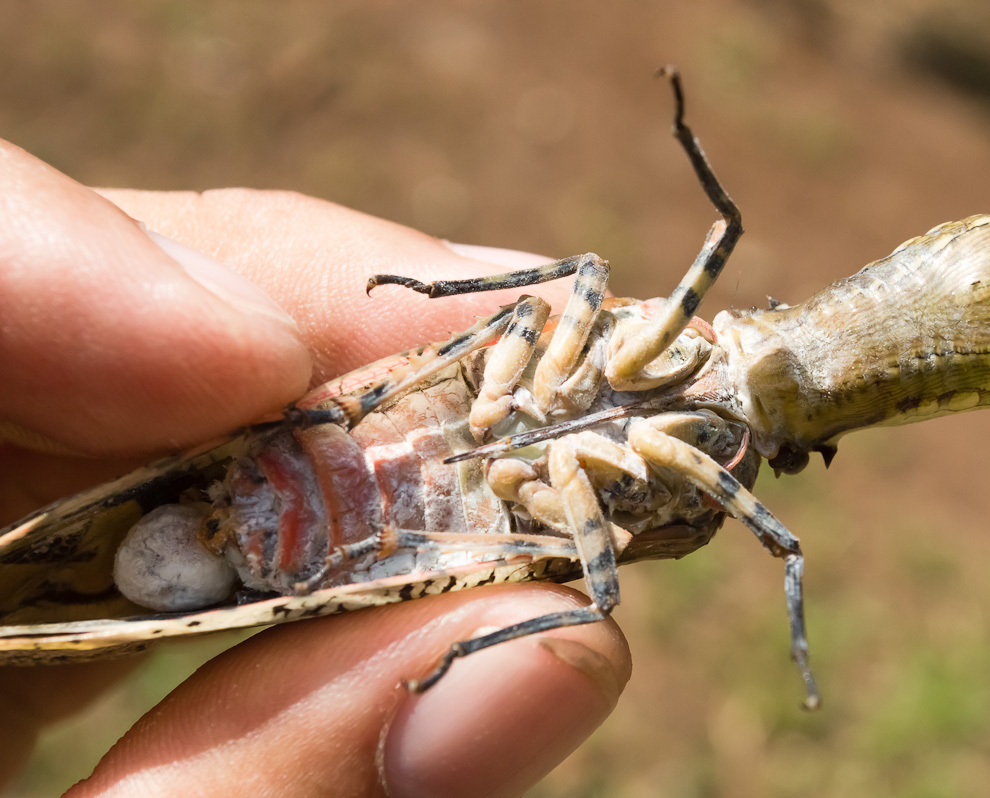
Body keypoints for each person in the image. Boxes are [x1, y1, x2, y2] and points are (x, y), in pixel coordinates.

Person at [0, 138, 631, 797]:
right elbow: (550, 297)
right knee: (540, 308)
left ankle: (409, 528)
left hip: (459, 517)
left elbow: (603, 557)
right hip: (418, 476)